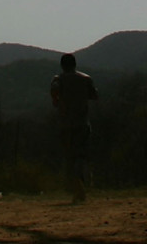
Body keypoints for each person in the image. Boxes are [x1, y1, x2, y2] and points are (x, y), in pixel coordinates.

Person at [49, 52, 98, 202]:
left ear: (62, 65)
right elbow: (94, 95)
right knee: (81, 154)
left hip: (66, 123)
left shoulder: (58, 79)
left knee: (70, 155)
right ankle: (81, 184)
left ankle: (77, 187)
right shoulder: (85, 78)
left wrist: (56, 101)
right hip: (82, 122)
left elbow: (54, 90)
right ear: (75, 64)